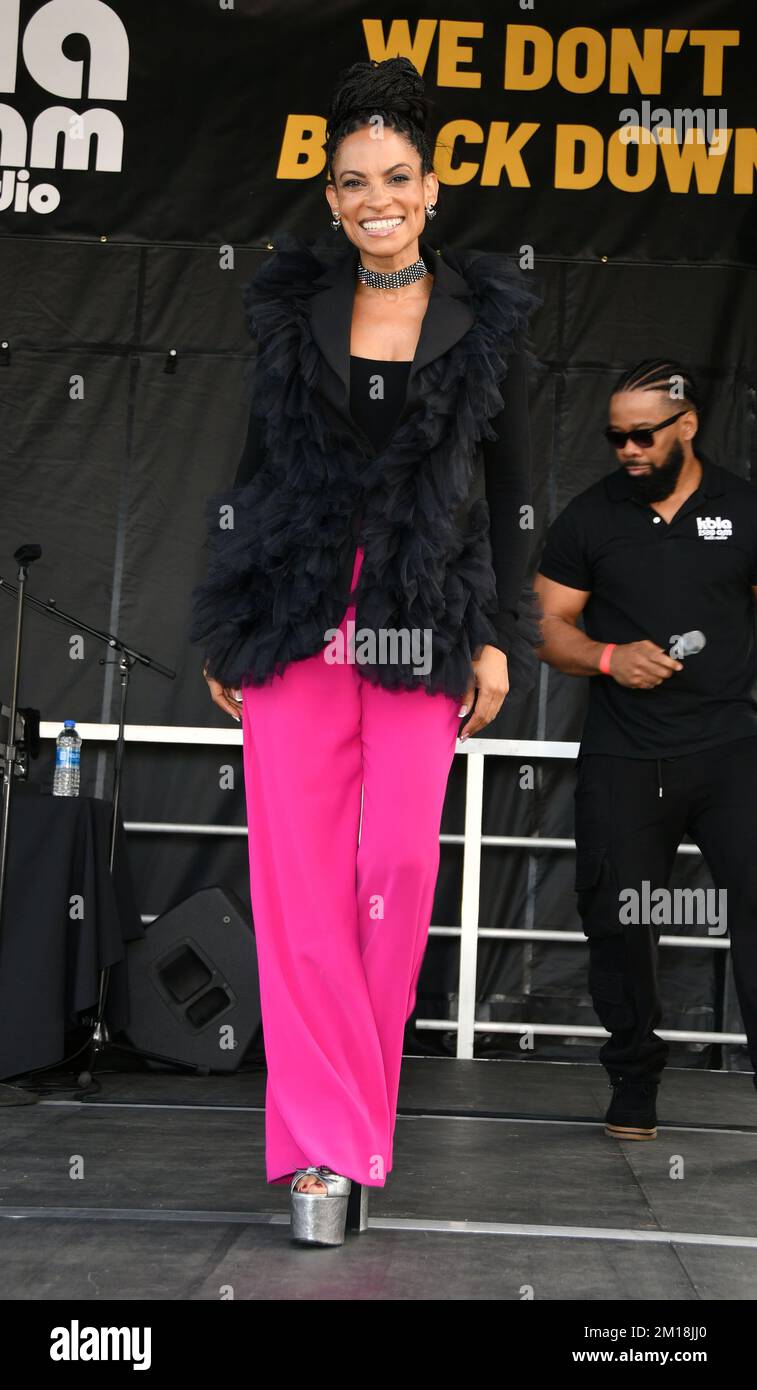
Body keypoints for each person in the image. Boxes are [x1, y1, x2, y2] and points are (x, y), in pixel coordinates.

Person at [189, 56, 540, 1245]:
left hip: (422, 611)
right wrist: (225, 615)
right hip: (294, 610)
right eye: (353, 181)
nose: (375, 196)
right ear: (330, 198)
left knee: (392, 870)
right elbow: (253, 471)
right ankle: (325, 1159)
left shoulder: (486, 319)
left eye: (397, 175)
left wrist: (493, 641)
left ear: (432, 187)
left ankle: (349, 1123)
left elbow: (508, 488)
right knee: (295, 886)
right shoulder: (293, 309)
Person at [533, 359, 757, 1141]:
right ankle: (633, 1081)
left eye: (640, 434)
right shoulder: (589, 517)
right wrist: (606, 657)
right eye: (613, 437)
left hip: (733, 752)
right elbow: (548, 625)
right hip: (626, 759)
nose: (625, 449)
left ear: (685, 426)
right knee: (619, 920)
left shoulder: (742, 507)